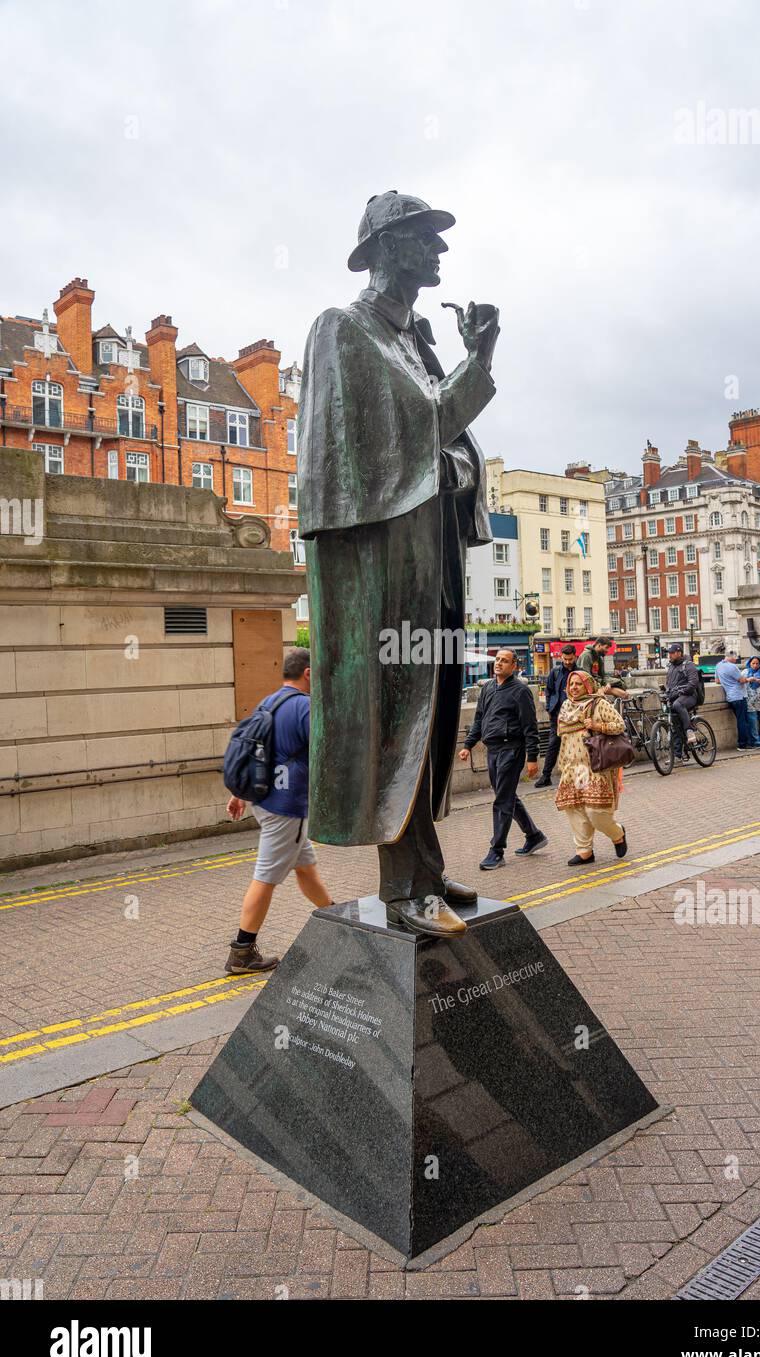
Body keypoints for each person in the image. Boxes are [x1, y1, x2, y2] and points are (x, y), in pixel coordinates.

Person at [298, 191, 499, 938]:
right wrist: (476, 367)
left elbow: (441, 435)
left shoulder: (417, 342)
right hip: (383, 553)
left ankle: (423, 861)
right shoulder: (342, 330)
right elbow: (369, 452)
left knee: (436, 705)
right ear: (385, 247)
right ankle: (397, 882)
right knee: (397, 705)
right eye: (425, 239)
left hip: (433, 544)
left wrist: (471, 363)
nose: (440, 253)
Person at [224, 648, 334, 973]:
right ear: (308, 673)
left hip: (264, 800)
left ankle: (333, 913)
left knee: (305, 867)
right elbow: (325, 753)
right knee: (266, 876)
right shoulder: (304, 707)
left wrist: (238, 793)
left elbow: (257, 752)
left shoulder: (267, 702)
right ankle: (242, 951)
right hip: (286, 807)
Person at [459, 648, 548, 869]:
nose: (498, 663)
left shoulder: (520, 691)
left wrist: (532, 757)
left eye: (504, 661)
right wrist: (468, 745)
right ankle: (534, 835)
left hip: (512, 749)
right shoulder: (488, 687)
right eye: (497, 659)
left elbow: (530, 726)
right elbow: (480, 718)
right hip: (493, 749)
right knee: (506, 796)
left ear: (514, 666)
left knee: (502, 800)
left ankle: (496, 851)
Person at [553, 668, 628, 867]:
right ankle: (584, 851)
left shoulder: (598, 703)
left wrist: (596, 726)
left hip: (596, 766)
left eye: (579, 683)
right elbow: (563, 735)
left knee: (597, 812)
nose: (574, 687)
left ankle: (617, 834)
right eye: (571, 684)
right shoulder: (566, 705)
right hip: (572, 767)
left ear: (588, 685)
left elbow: (619, 725)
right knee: (575, 809)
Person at [535, 643, 577, 787]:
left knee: (575, 746)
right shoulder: (556, 671)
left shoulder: (581, 672)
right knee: (553, 745)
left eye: (570, 659)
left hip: (575, 717)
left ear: (575, 657)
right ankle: (546, 776)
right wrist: (549, 707)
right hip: (557, 715)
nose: (567, 662)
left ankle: (574, 776)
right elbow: (549, 691)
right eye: (565, 659)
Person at [714, 647, 757, 750]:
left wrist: (728, 682)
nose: (736, 659)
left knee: (740, 720)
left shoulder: (718, 665)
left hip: (730, 696)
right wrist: (749, 679)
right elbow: (742, 680)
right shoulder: (732, 667)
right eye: (735, 657)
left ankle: (744, 743)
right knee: (742, 721)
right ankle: (743, 744)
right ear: (731, 657)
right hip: (739, 696)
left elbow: (717, 681)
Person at [665, 642, 701, 762]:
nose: (670, 655)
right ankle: (678, 755)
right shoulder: (670, 667)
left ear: (679, 653)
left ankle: (689, 731)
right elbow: (669, 684)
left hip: (689, 696)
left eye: (672, 653)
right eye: (669, 653)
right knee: (675, 726)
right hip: (676, 696)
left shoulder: (688, 665)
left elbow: (693, 682)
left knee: (677, 704)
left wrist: (683, 691)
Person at [741, 655, 760, 747]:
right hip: (749, 701)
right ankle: (755, 740)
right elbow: (740, 683)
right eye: (753, 663)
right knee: (753, 722)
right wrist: (748, 680)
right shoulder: (745, 672)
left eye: (757, 663)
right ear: (749, 663)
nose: (755, 665)